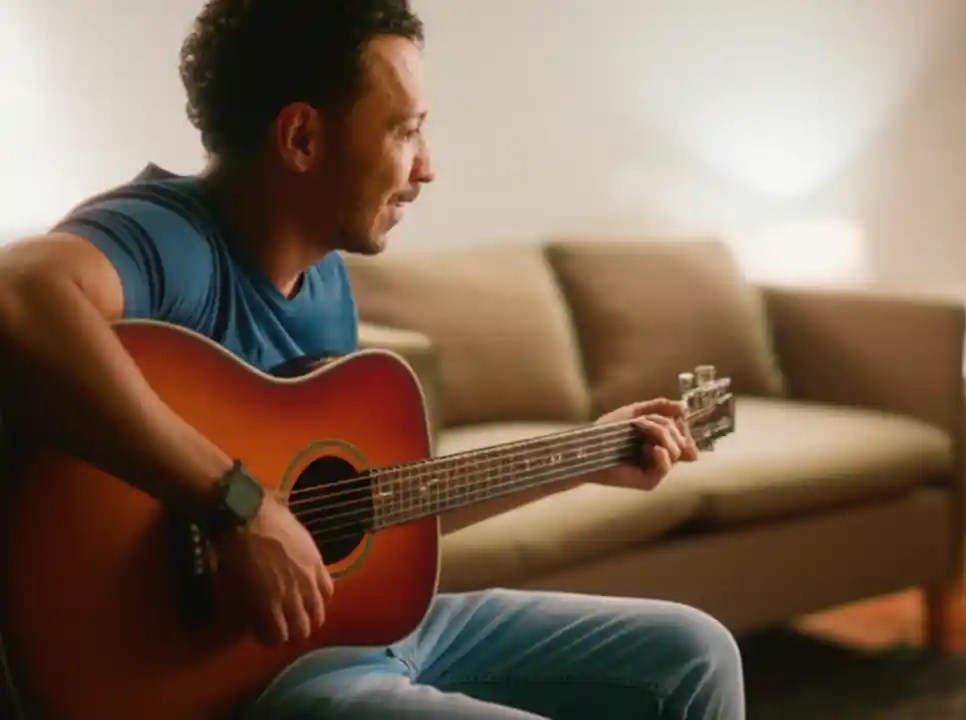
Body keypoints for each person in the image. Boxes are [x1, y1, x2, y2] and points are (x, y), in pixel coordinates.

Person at [0, 1, 746, 718]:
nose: (426, 168)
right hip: (230, 679)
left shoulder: (326, 282)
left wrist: (585, 458)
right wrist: (235, 506)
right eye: (404, 131)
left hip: (344, 635)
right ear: (300, 139)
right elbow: (19, 293)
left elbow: (356, 513)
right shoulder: (174, 241)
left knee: (695, 652)